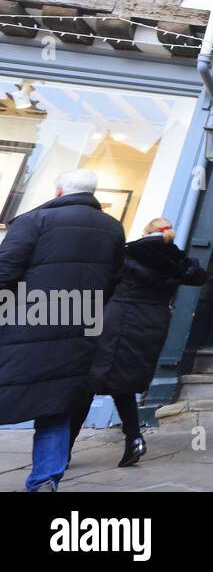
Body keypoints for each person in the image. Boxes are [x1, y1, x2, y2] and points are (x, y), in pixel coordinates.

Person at [0, 169, 124, 491]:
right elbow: (114, 280)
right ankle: (45, 479)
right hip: (79, 323)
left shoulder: (33, 221)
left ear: (58, 191)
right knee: (56, 402)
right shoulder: (112, 228)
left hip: (25, 321)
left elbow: (5, 271)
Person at [71, 218, 206, 468]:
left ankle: (63, 448)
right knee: (123, 382)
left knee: (91, 379)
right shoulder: (178, 259)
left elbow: (105, 282)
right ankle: (134, 438)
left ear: (146, 231)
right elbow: (198, 276)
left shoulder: (129, 253)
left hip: (120, 317)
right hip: (154, 321)